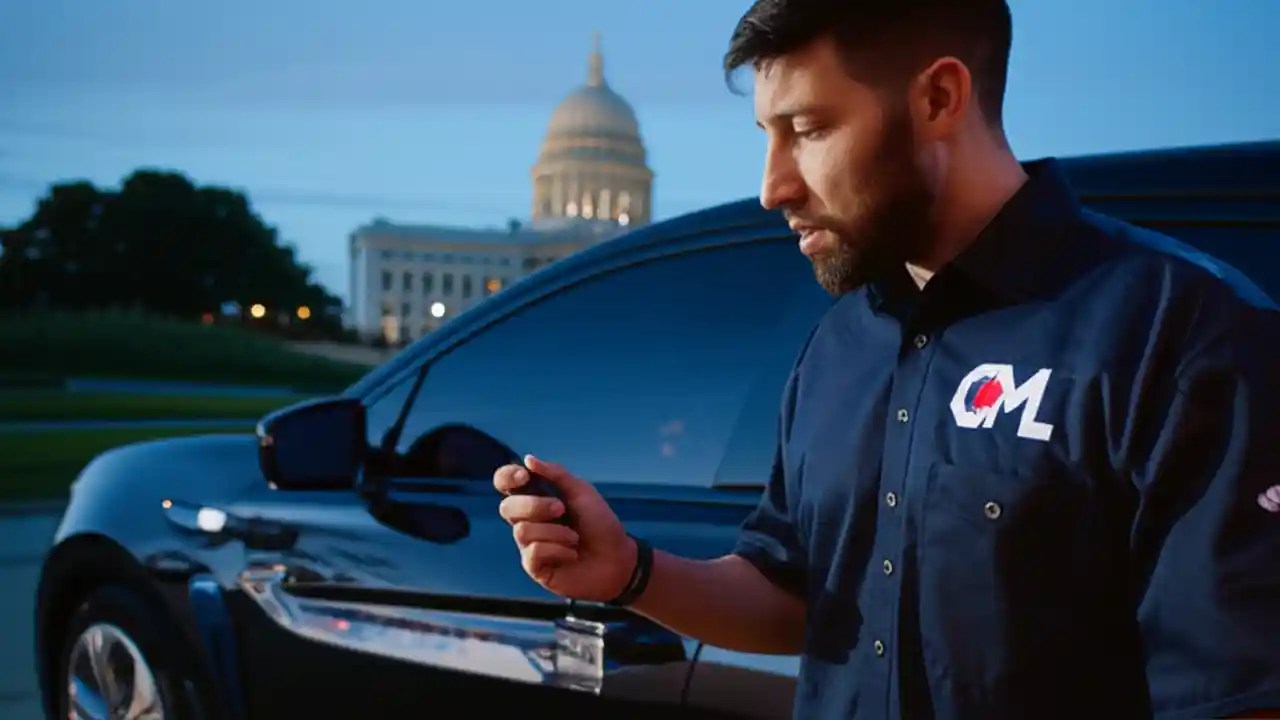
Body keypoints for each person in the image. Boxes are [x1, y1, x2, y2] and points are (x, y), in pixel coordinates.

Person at [494, 1, 1280, 717]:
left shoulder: (1180, 334)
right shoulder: (840, 346)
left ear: (938, 99)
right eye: (767, 136)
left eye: (807, 129)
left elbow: (1237, 691)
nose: (772, 186)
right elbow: (801, 594)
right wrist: (630, 571)